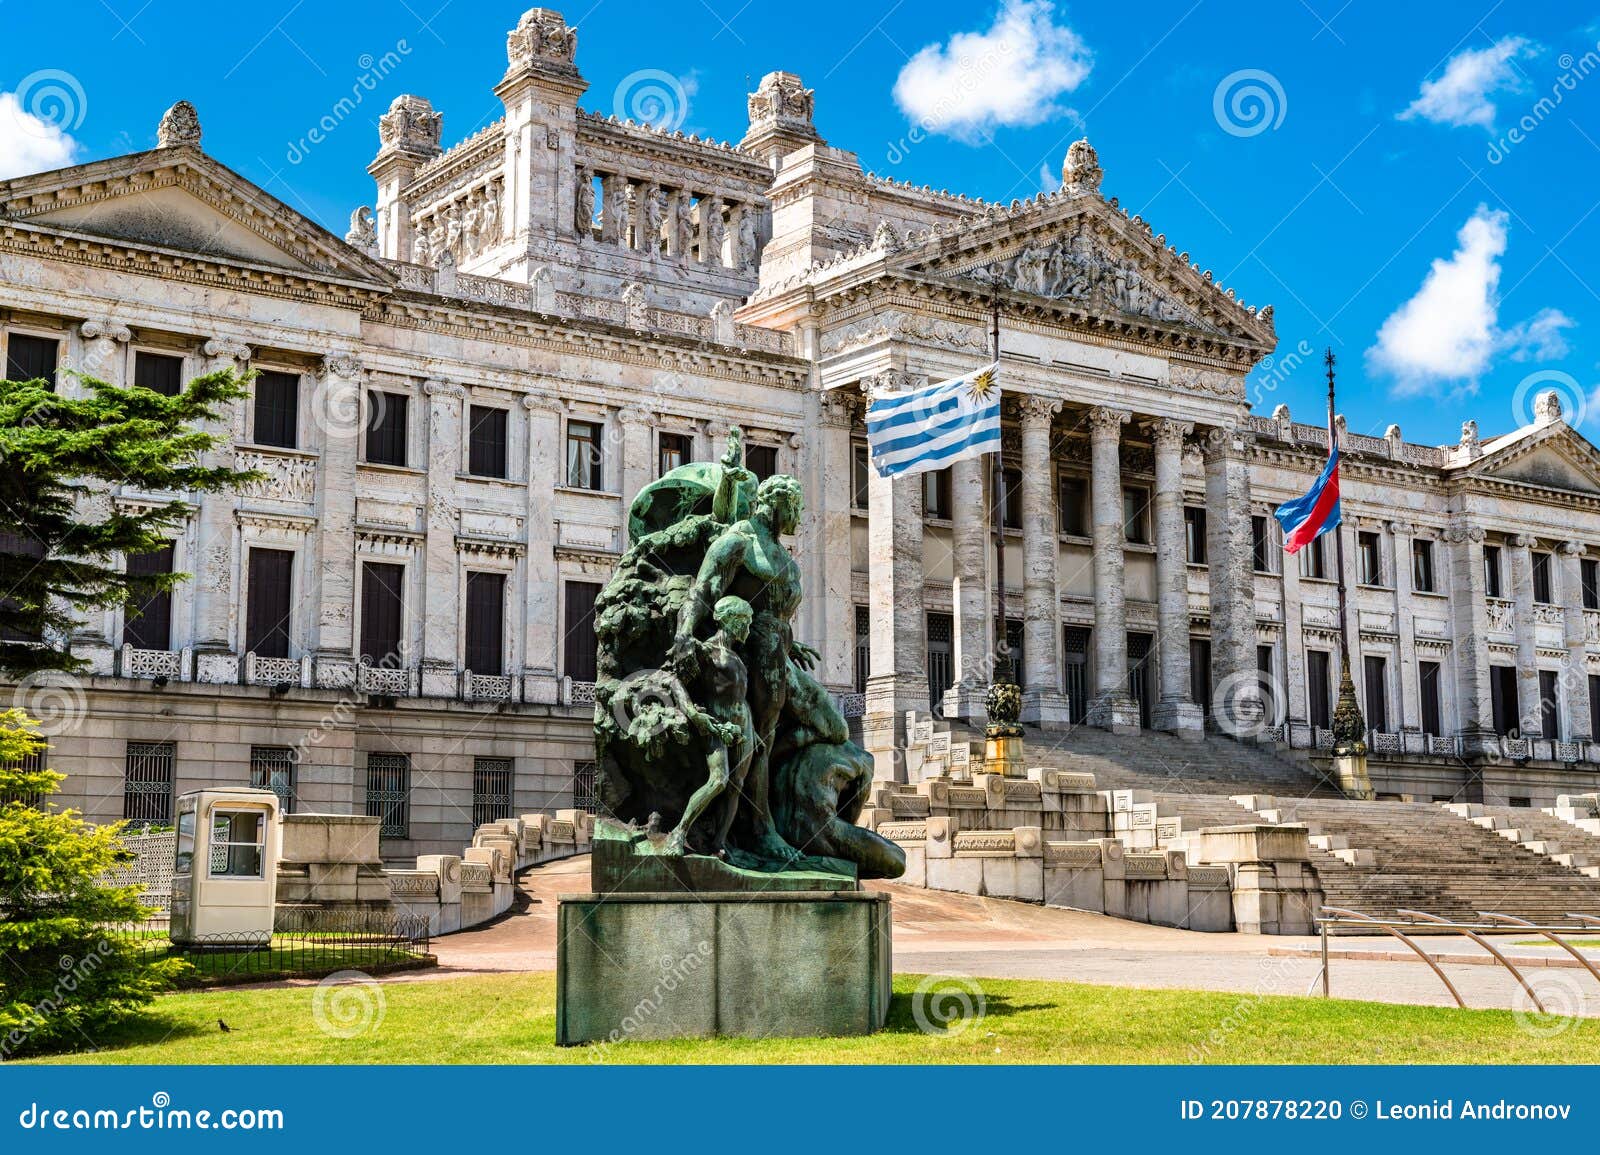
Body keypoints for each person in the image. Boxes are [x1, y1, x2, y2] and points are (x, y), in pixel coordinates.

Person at [662, 595, 755, 857]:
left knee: (737, 784)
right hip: (716, 721)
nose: (747, 628)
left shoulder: (736, 654)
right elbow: (674, 682)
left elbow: (740, 694)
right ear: (730, 621)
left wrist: (752, 729)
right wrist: (692, 712)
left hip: (743, 723)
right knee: (718, 781)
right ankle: (679, 832)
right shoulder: (705, 651)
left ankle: (720, 842)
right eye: (744, 622)